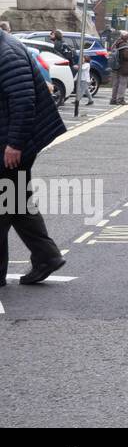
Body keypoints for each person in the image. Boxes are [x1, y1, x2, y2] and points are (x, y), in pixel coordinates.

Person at [0, 26, 69, 285]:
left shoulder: (7, 53)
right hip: (12, 140)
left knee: (8, 204)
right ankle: (46, 257)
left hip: (13, 145)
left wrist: (14, 144)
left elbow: (23, 101)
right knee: (16, 204)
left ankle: (46, 257)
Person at [109, 31, 128, 105]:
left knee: (115, 84)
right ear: (125, 37)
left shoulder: (115, 43)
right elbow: (126, 56)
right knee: (122, 83)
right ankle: (120, 99)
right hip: (123, 67)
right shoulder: (124, 45)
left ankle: (113, 99)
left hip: (115, 66)